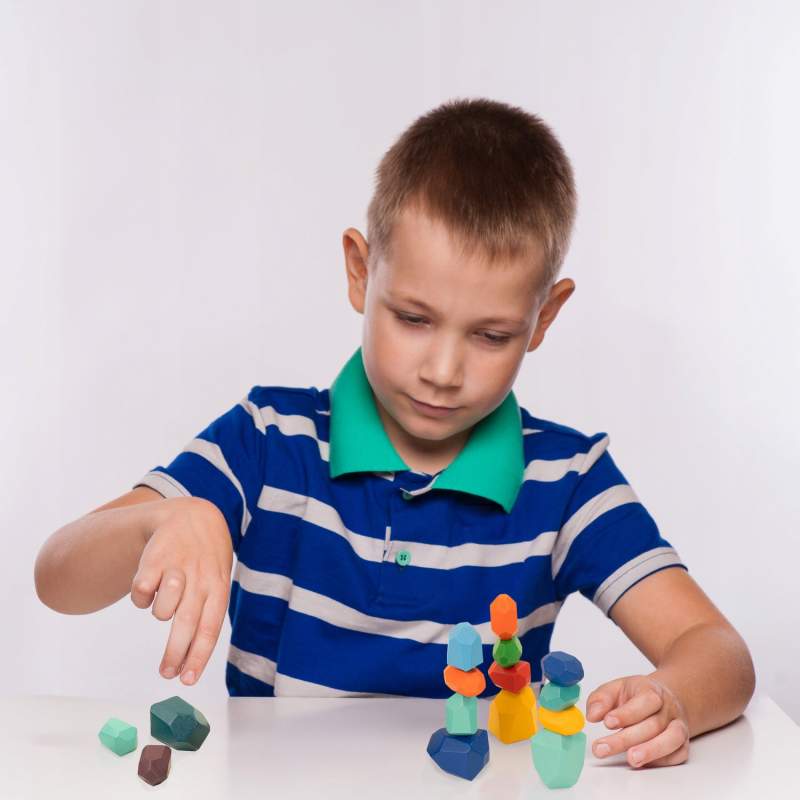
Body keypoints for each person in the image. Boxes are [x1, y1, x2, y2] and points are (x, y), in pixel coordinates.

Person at [34, 97, 755, 769]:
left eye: (491, 334)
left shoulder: (566, 482)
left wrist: (678, 697)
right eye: (413, 318)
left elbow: (716, 649)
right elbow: (57, 576)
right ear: (360, 271)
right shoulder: (267, 440)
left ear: (543, 320)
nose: (443, 370)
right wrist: (167, 516)